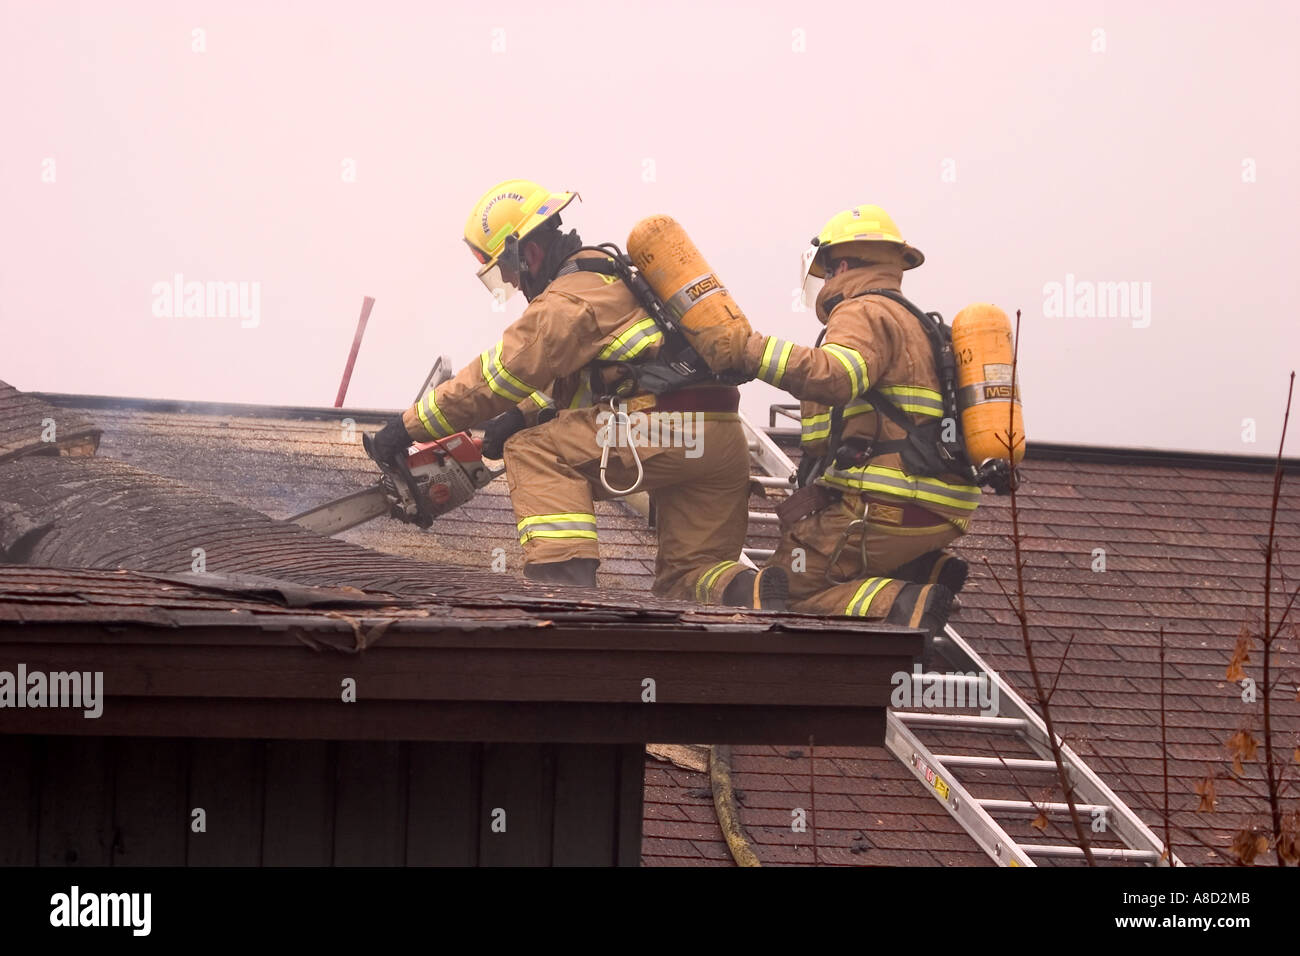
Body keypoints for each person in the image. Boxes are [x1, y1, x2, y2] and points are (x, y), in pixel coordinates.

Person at [369, 179, 787, 608]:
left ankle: (563, 588)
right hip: (719, 440)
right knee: (691, 574)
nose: (513, 284)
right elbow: (597, 375)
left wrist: (407, 427)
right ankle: (752, 592)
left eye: (507, 271)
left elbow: (495, 378)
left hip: (665, 430)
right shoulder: (617, 282)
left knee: (533, 451)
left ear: (527, 253)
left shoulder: (567, 299)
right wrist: (524, 412)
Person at [741, 204, 979, 634]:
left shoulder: (862, 312)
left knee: (782, 592)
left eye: (828, 271)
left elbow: (836, 377)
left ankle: (904, 600)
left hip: (884, 507)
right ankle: (922, 568)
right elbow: (827, 438)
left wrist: (750, 351)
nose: (826, 283)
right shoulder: (920, 325)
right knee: (836, 560)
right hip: (938, 512)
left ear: (843, 265)